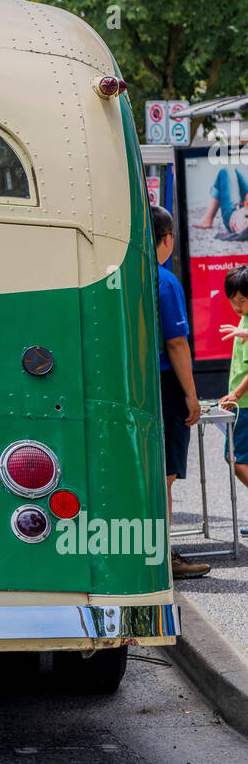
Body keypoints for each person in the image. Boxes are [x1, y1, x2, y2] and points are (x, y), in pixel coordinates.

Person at [152, 206, 208, 578]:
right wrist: (191, 394)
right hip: (166, 385)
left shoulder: (123, 276)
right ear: (168, 238)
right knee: (165, 475)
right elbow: (176, 342)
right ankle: (163, 559)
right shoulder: (165, 280)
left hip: (135, 382)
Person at [217, 266, 248, 519]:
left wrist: (236, 394)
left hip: (245, 404)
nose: (237, 306)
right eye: (233, 301)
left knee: (236, 460)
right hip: (243, 403)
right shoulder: (244, 321)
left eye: (242, 300)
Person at [193, 165, 248, 240]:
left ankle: (207, 220)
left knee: (225, 171)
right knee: (235, 171)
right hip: (243, 210)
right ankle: (207, 219)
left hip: (237, 217)